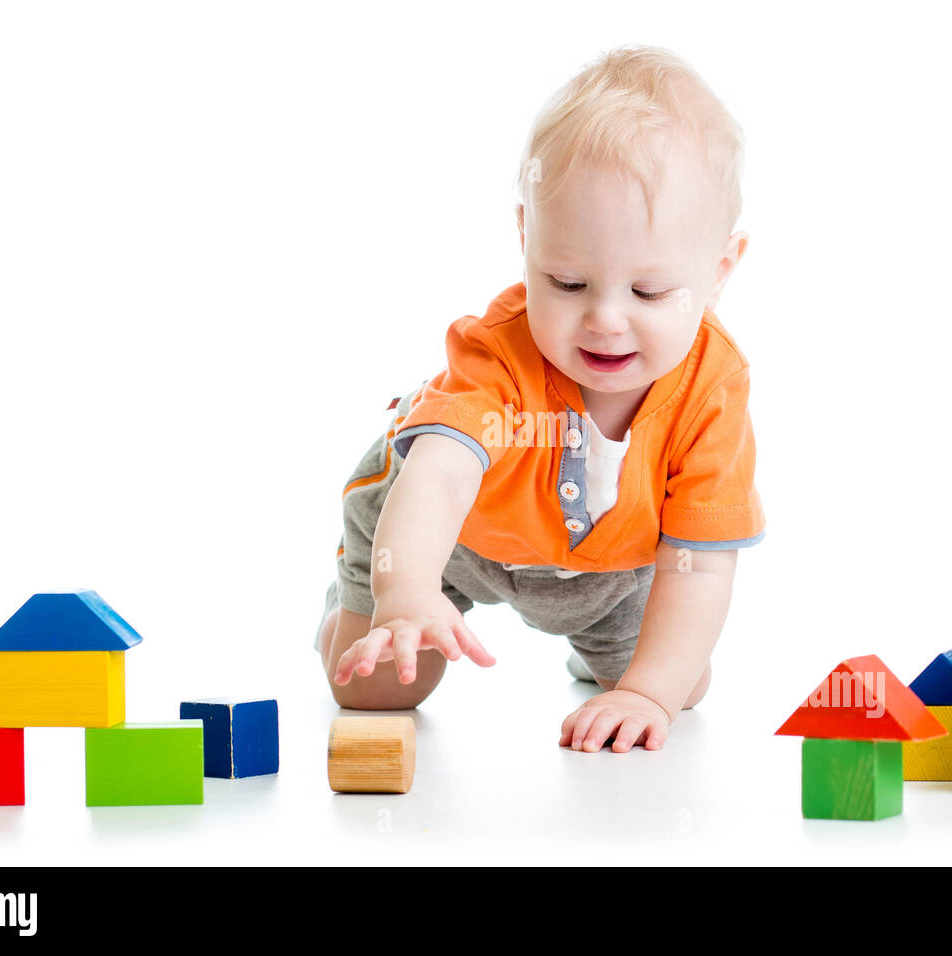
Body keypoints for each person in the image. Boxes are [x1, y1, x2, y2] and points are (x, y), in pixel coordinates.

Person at [315, 44, 766, 753]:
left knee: (681, 684)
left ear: (718, 272)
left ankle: (595, 653)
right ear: (528, 235)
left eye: (648, 292)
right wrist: (407, 595)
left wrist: (649, 691)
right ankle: (354, 602)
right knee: (374, 691)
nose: (606, 319)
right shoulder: (501, 352)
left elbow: (701, 558)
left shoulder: (711, 389)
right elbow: (439, 472)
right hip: (446, 537)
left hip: (606, 573)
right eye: (566, 281)